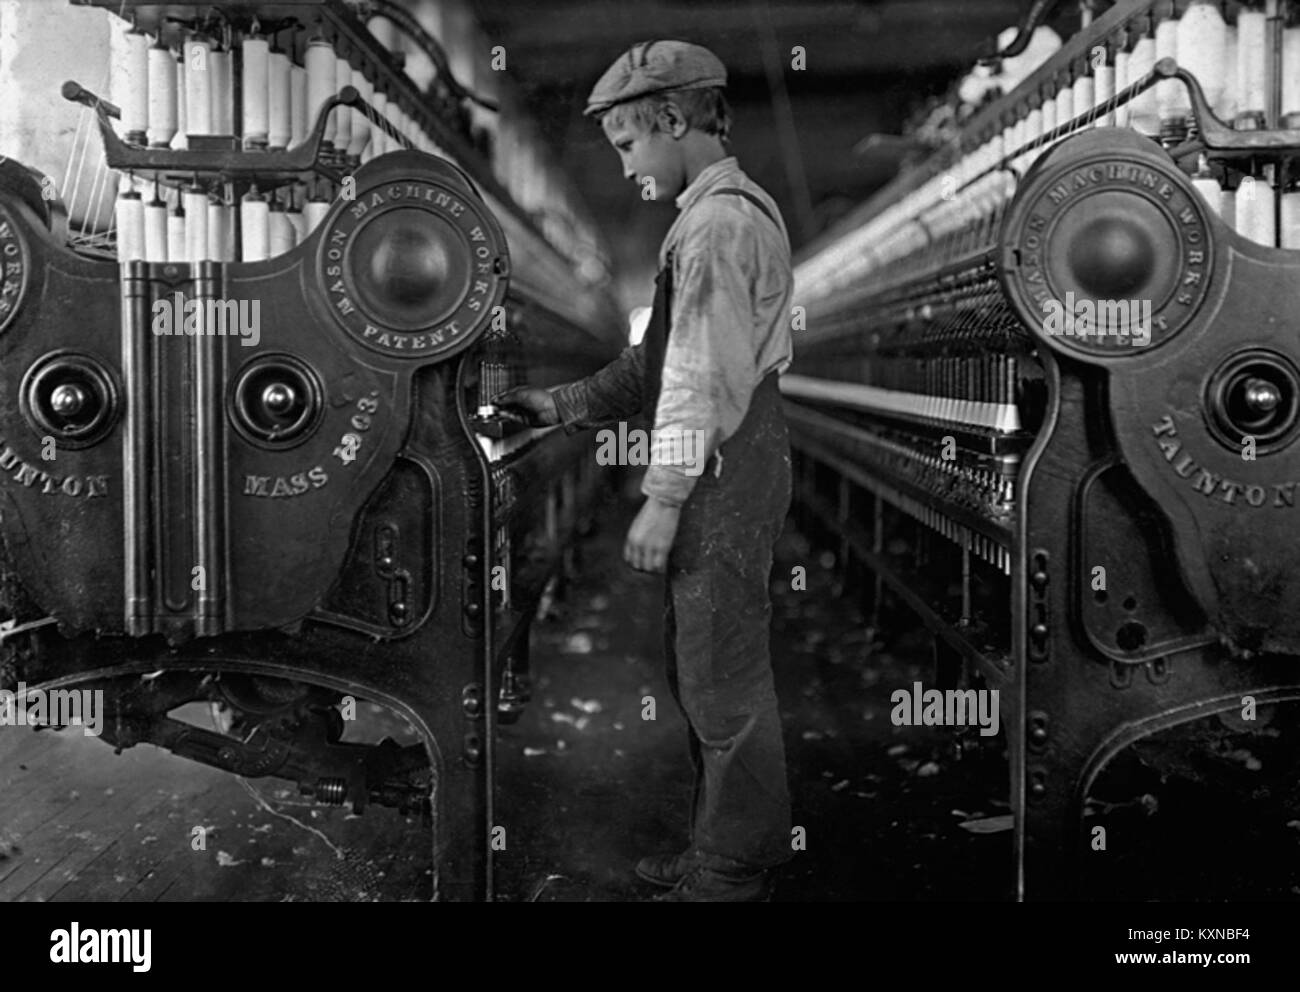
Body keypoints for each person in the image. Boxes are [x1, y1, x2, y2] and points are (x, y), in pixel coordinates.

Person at [496, 40, 794, 903]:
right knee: (701, 660)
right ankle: (721, 847)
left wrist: (662, 498)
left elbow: (697, 377)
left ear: (672, 120)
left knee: (720, 665)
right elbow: (648, 370)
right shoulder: (702, 220)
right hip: (731, 453)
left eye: (629, 145)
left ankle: (733, 873)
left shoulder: (719, 226)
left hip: (725, 463)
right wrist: (554, 406)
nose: (624, 168)